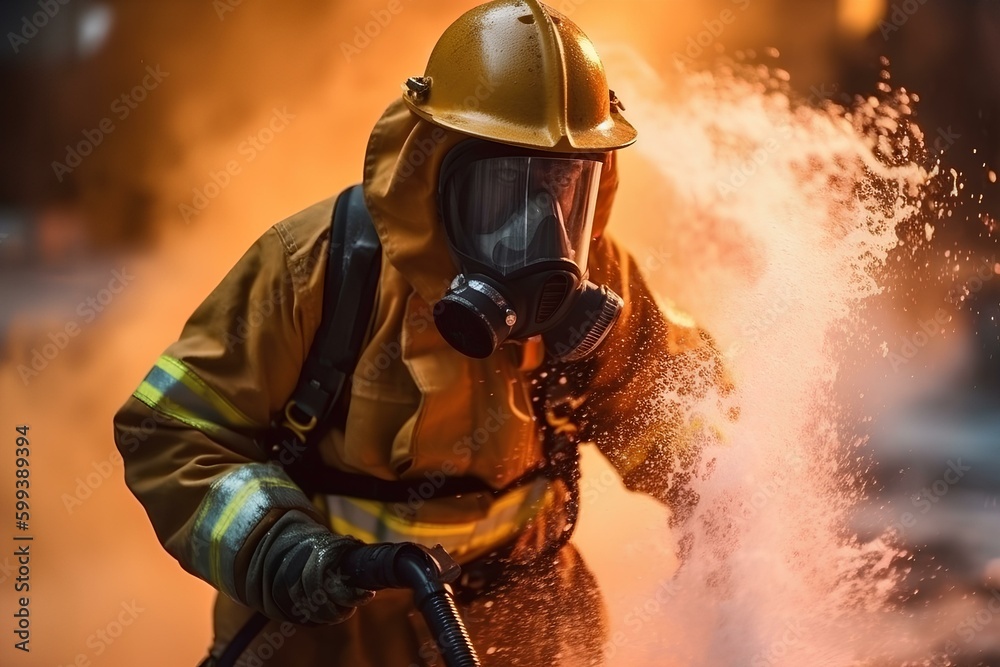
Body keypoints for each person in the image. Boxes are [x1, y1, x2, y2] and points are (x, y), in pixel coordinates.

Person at [113, 1, 729, 665]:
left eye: (563, 188)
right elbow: (172, 429)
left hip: (521, 634)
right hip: (326, 637)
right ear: (436, 168)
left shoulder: (600, 278)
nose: (542, 235)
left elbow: (677, 419)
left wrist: (724, 500)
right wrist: (276, 549)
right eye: (505, 193)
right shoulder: (317, 267)